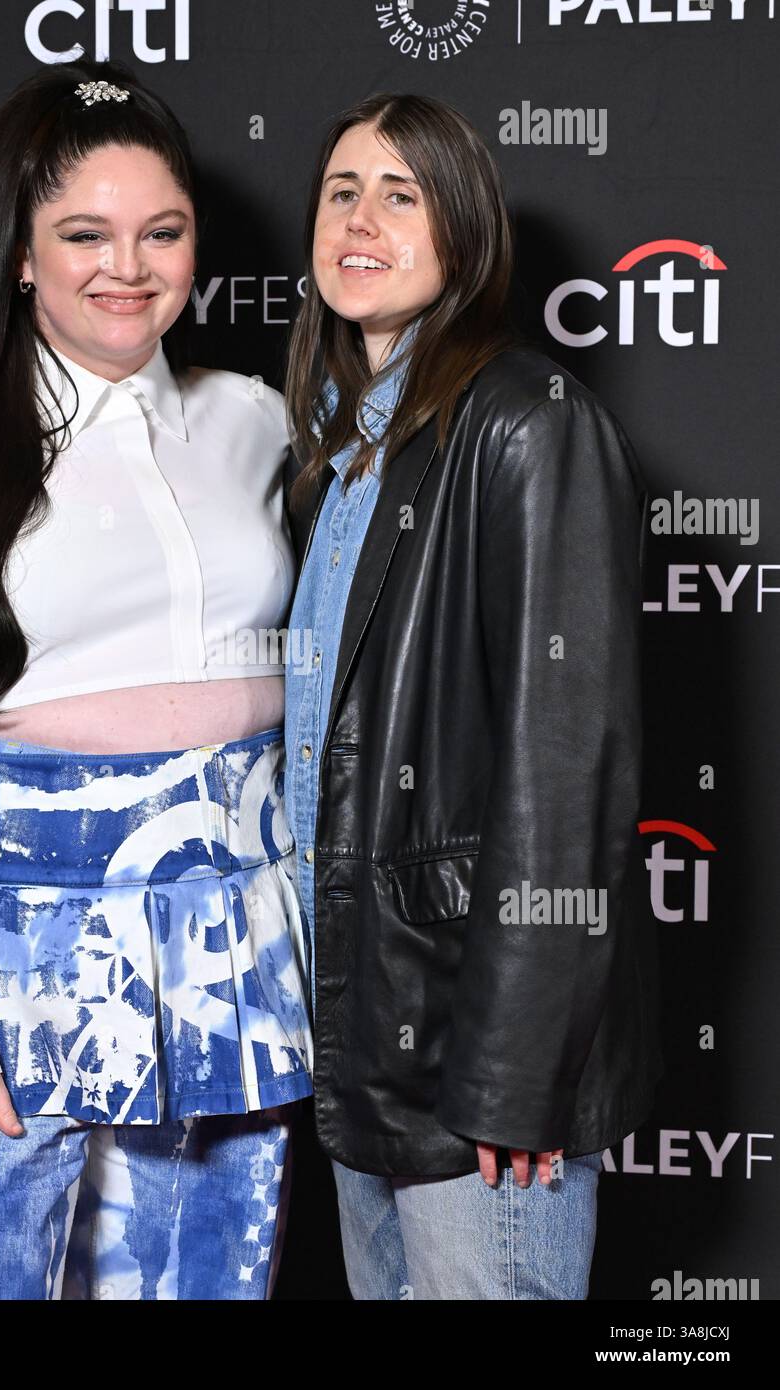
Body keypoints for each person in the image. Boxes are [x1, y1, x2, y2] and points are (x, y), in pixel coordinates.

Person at [0, 58, 313, 1301]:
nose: (128, 267)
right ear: (21, 252)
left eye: (163, 232)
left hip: (226, 973)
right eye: (84, 234)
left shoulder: (256, 420)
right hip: (0, 975)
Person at [282, 92, 664, 1300]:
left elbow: (571, 763)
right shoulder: (342, 458)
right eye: (343, 191)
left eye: (403, 194)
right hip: (360, 1036)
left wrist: (516, 1072)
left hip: (471, 1062)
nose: (362, 216)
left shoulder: (525, 424)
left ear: (465, 234)